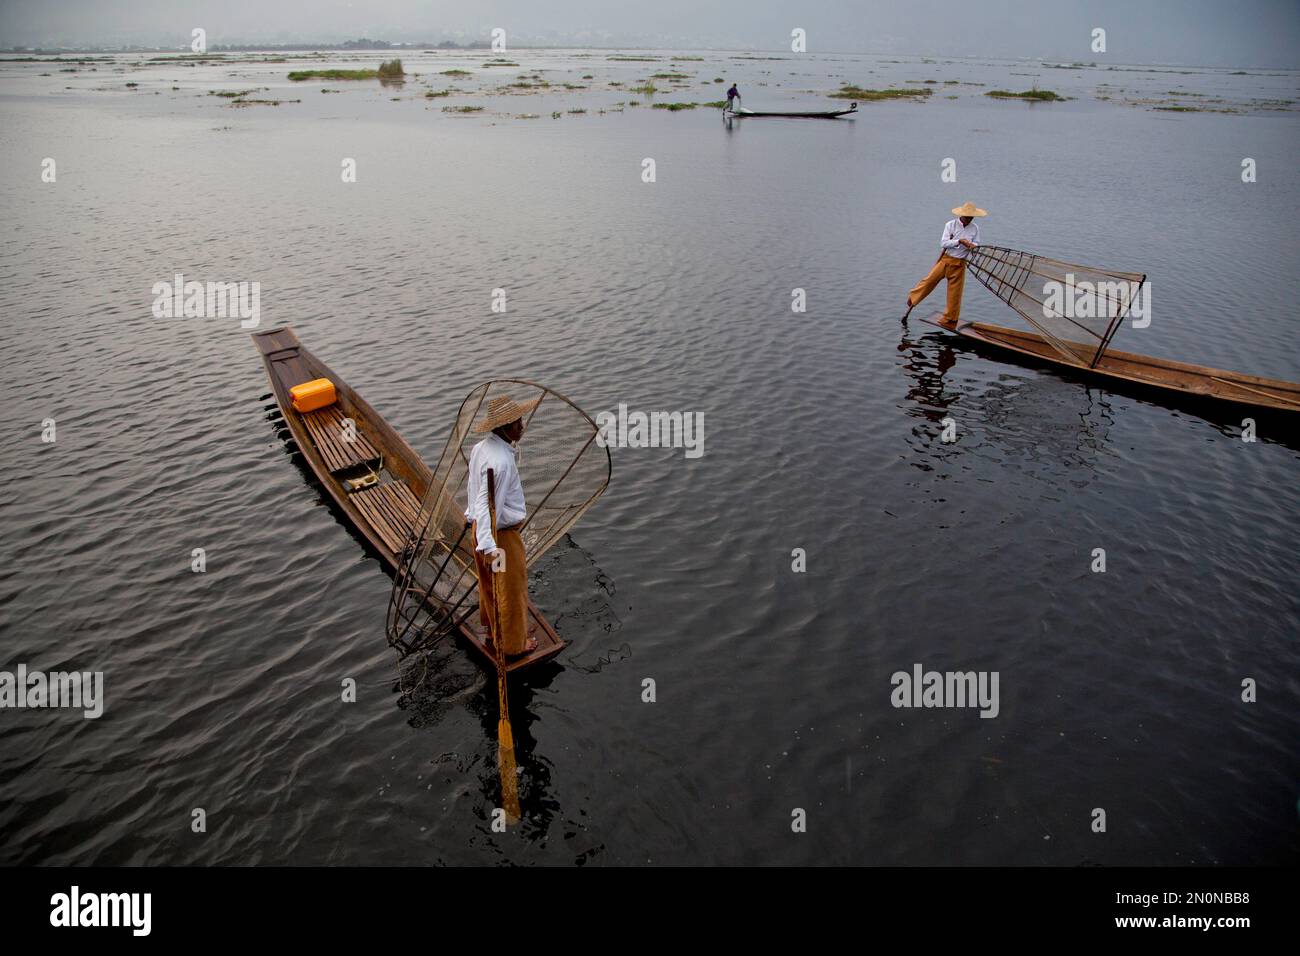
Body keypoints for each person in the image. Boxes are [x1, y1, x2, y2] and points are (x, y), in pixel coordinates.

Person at [466, 394, 541, 657]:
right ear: (502, 428)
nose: (521, 427)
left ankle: (493, 627)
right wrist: (489, 546)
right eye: (516, 423)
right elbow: (489, 506)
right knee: (509, 587)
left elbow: (474, 491)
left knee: (489, 584)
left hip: (482, 530)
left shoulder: (481, 449)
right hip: (500, 539)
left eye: (520, 420)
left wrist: (472, 521)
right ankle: (512, 645)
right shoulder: (500, 462)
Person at [903, 202, 987, 329]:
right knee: (929, 281)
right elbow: (944, 243)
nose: (969, 219)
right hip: (946, 260)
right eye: (967, 216)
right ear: (961, 215)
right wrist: (959, 241)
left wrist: (972, 245)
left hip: (960, 264)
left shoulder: (975, 228)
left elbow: (977, 244)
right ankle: (913, 298)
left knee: (955, 294)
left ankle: (950, 318)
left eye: (971, 217)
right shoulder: (950, 225)